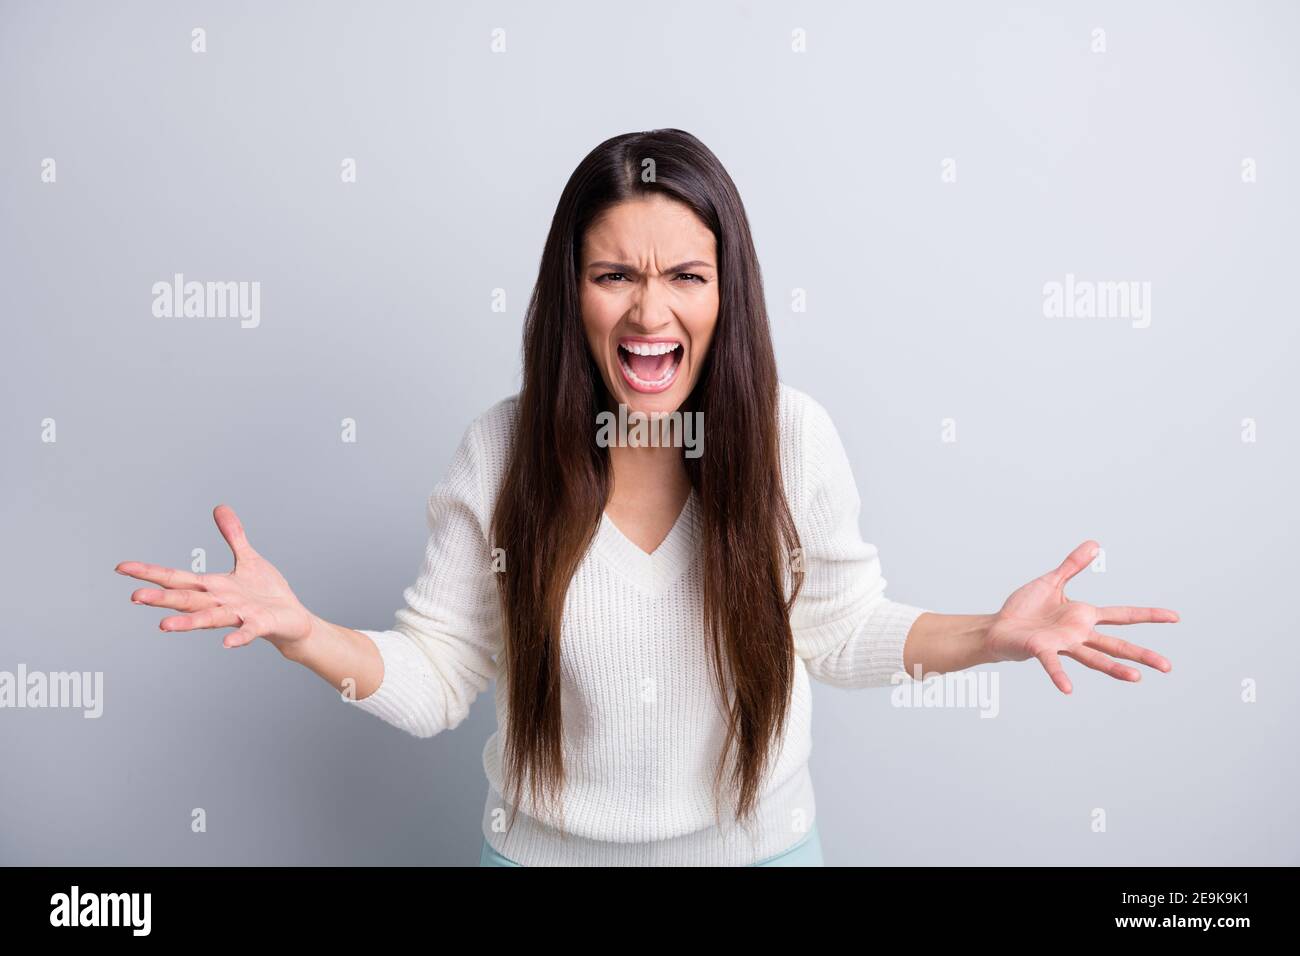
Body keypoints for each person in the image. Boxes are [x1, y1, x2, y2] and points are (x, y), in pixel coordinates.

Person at [115, 129, 1179, 867]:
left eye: (685, 274)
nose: (648, 309)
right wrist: (303, 631)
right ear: (569, 291)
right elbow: (438, 674)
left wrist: (991, 633)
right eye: (613, 273)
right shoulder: (501, 450)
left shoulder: (789, 436)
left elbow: (843, 630)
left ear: (727, 291)